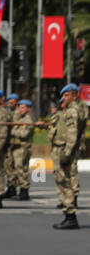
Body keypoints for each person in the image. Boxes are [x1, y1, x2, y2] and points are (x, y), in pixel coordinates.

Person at [50, 84, 87, 229]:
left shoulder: (73, 111)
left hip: (65, 150)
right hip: (62, 149)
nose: (63, 98)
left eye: (66, 95)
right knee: (62, 182)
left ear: (74, 96)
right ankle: (69, 215)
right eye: (63, 95)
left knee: (64, 183)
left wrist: (66, 155)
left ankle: (70, 216)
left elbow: (72, 136)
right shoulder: (71, 110)